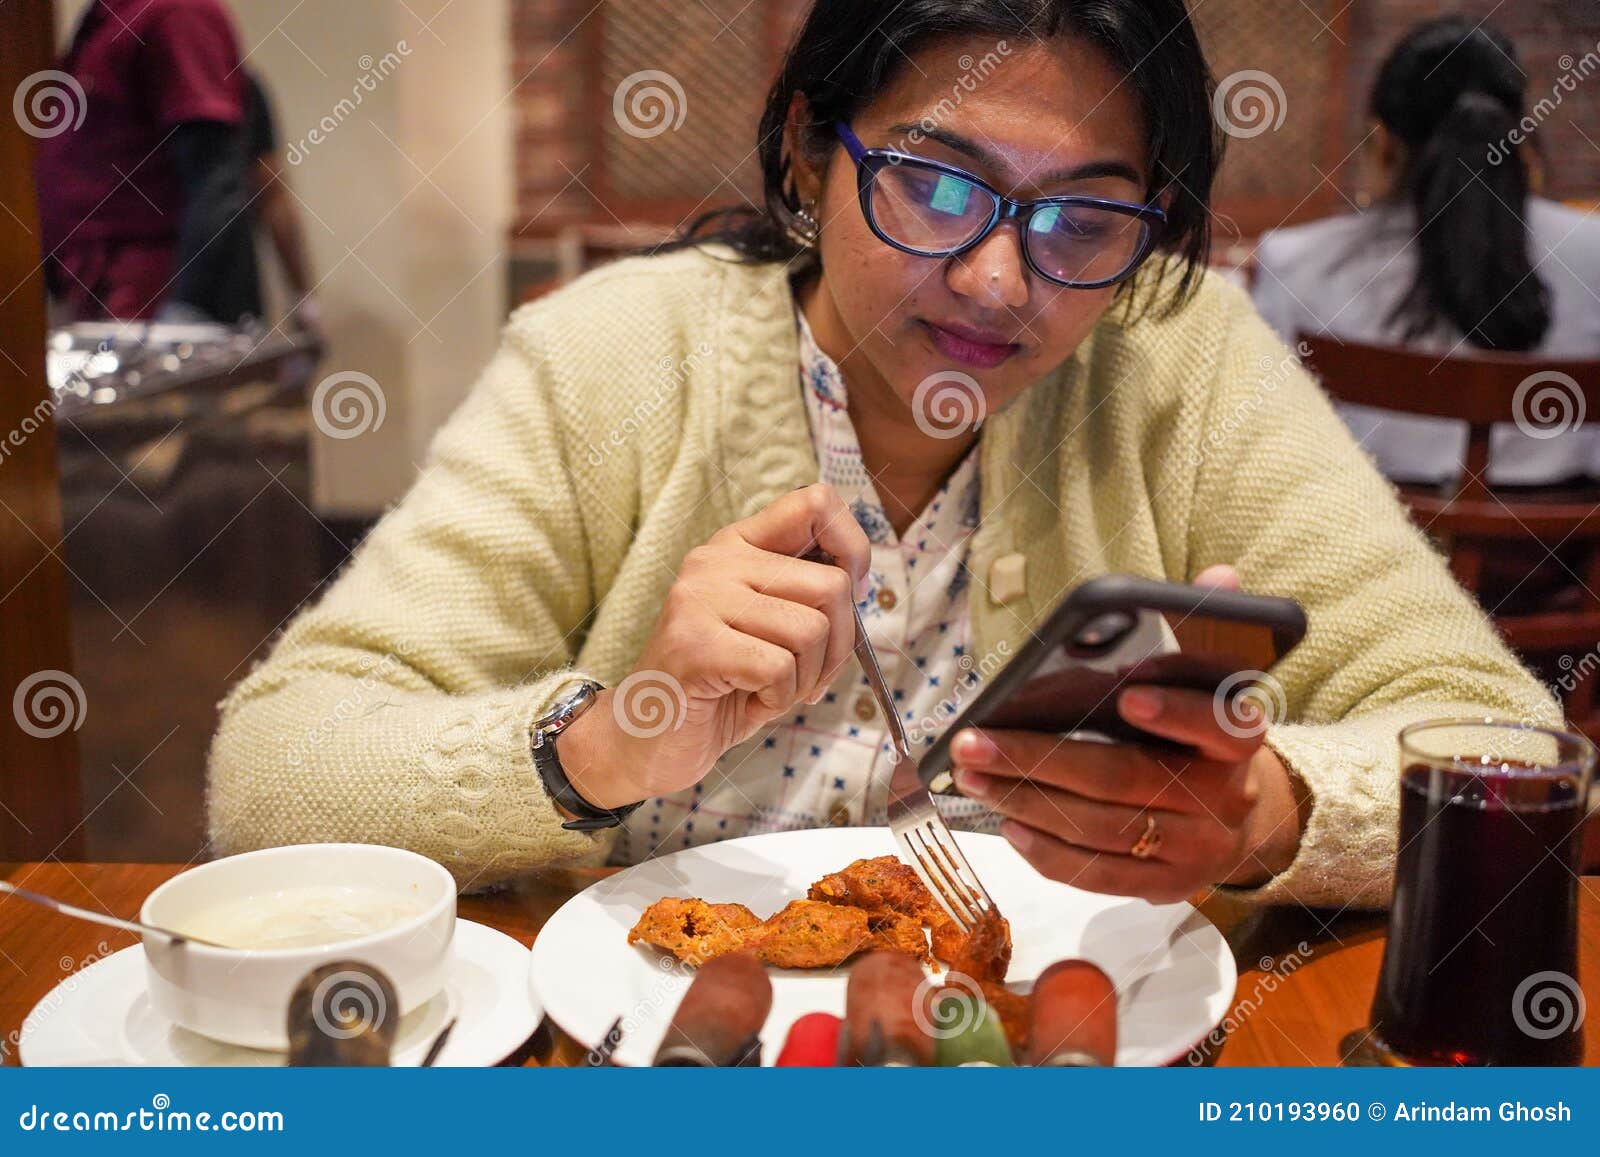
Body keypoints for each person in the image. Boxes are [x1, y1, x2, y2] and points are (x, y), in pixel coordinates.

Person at [207, 0, 1557, 910]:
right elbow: (272, 772)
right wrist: (608, 740)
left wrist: (1273, 815)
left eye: (1083, 217)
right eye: (936, 181)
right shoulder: (611, 362)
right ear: (807, 150)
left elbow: (1510, 743)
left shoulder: (1180, 359)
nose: (997, 280)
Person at [1252, 16, 1600, 486]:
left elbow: (1270, 451)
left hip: (1365, 549)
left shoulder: (1293, 263)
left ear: (1383, 143)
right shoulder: (1592, 251)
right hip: (1563, 557)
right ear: (1518, 135)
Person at [36, 0, 261, 324]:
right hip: (97, 298)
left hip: (149, 307)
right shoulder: (102, 20)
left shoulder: (177, 12)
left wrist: (185, 316)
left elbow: (215, 178)